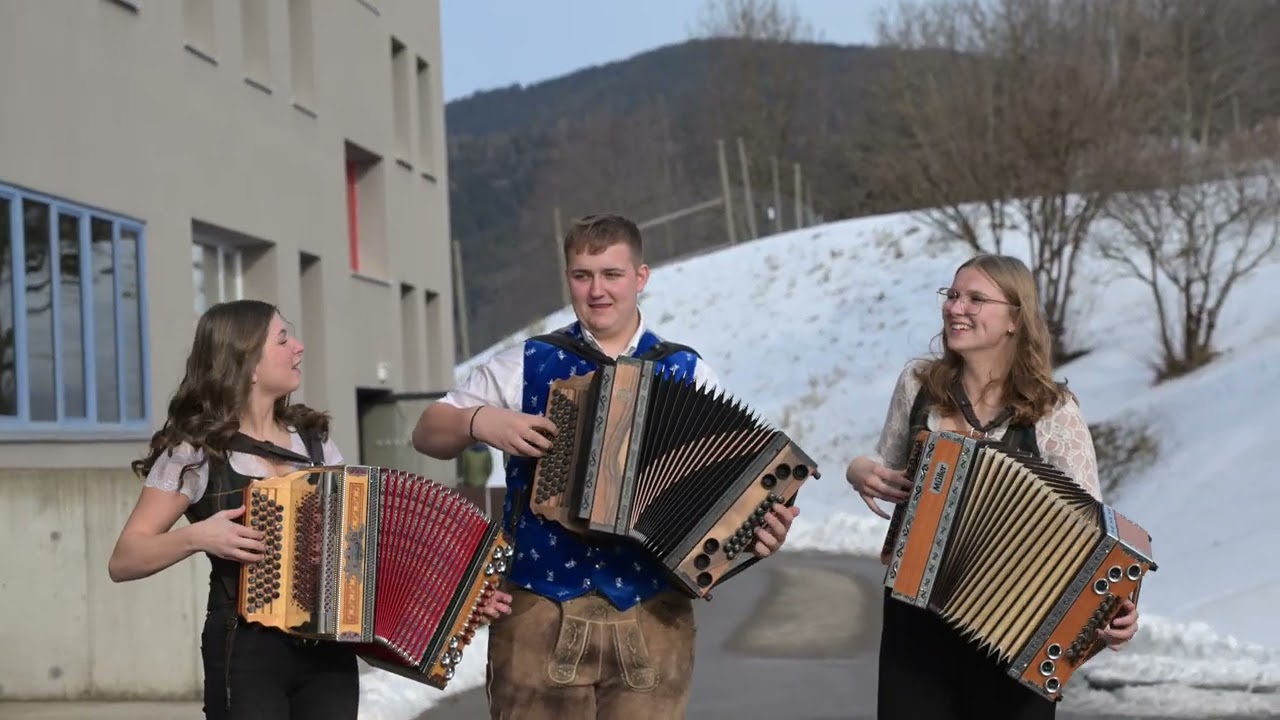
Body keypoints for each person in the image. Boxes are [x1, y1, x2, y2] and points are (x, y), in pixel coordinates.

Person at [411, 213, 799, 719]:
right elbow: (426, 432)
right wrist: (481, 422)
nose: (597, 291)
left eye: (612, 274)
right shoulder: (526, 362)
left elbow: (732, 494)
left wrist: (759, 532)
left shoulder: (688, 370)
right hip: (538, 613)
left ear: (641, 277)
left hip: (654, 617)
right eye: (582, 275)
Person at [107, 299, 510, 720]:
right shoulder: (196, 451)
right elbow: (125, 559)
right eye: (283, 339)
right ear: (249, 363)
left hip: (328, 654)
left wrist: (459, 599)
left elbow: (368, 554)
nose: (298, 347)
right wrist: (197, 537)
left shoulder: (314, 444)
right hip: (245, 651)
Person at [845, 254, 1139, 720]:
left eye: (976, 298)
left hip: (1017, 627)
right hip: (915, 614)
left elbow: (1091, 536)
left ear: (1014, 319)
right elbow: (888, 463)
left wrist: (1116, 614)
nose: (956, 307)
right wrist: (858, 469)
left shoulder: (1054, 411)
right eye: (953, 295)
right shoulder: (918, 384)